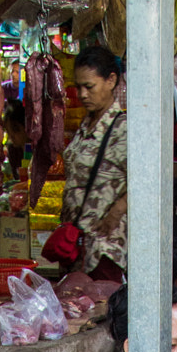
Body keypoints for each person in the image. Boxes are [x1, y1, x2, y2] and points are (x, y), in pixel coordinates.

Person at [59, 47, 128, 281]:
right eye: (79, 87)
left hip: (104, 250)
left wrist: (116, 212)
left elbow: (150, 183)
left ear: (111, 80)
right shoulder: (87, 124)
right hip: (77, 245)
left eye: (89, 86)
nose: (82, 94)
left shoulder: (123, 128)